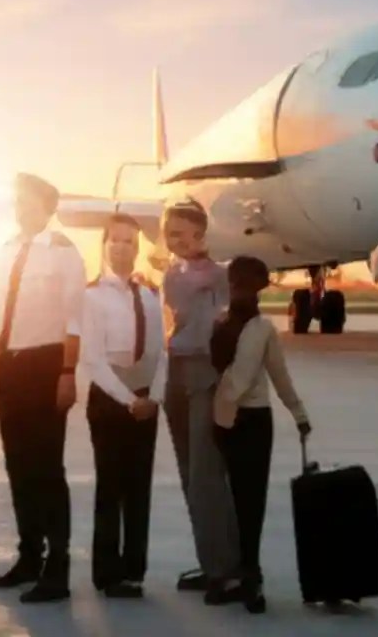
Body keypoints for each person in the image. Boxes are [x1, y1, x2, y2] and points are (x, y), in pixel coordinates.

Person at [0, 173, 87, 604]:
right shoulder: (7, 250)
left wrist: (67, 373)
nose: (21, 209)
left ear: (48, 208)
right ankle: (29, 556)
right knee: (18, 467)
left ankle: (57, 568)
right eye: (17, 201)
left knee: (47, 468)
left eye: (28, 202)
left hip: (47, 365)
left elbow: (75, 318)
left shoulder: (63, 252)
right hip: (9, 365)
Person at [211, 256, 312, 614]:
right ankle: (237, 572)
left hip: (254, 423)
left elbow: (279, 376)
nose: (243, 291)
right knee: (231, 502)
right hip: (225, 422)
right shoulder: (220, 324)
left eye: (249, 286)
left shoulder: (263, 329)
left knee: (251, 503)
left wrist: (298, 414)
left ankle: (251, 576)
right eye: (238, 284)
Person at [158, 199, 244, 604]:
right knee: (189, 472)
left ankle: (228, 572)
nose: (176, 240)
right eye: (170, 233)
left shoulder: (221, 275)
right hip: (175, 372)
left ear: (202, 234)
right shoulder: (171, 273)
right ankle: (210, 562)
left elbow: (237, 321)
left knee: (207, 476)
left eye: (184, 233)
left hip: (205, 374)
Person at [78, 214, 167, 599]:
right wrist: (130, 401)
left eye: (128, 241)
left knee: (139, 487)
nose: (120, 247)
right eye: (114, 240)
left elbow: (160, 351)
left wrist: (155, 397)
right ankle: (107, 572)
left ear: (137, 248)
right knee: (110, 488)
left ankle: (134, 569)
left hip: (146, 399)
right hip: (111, 399)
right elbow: (92, 360)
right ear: (103, 245)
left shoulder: (149, 295)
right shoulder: (91, 296)